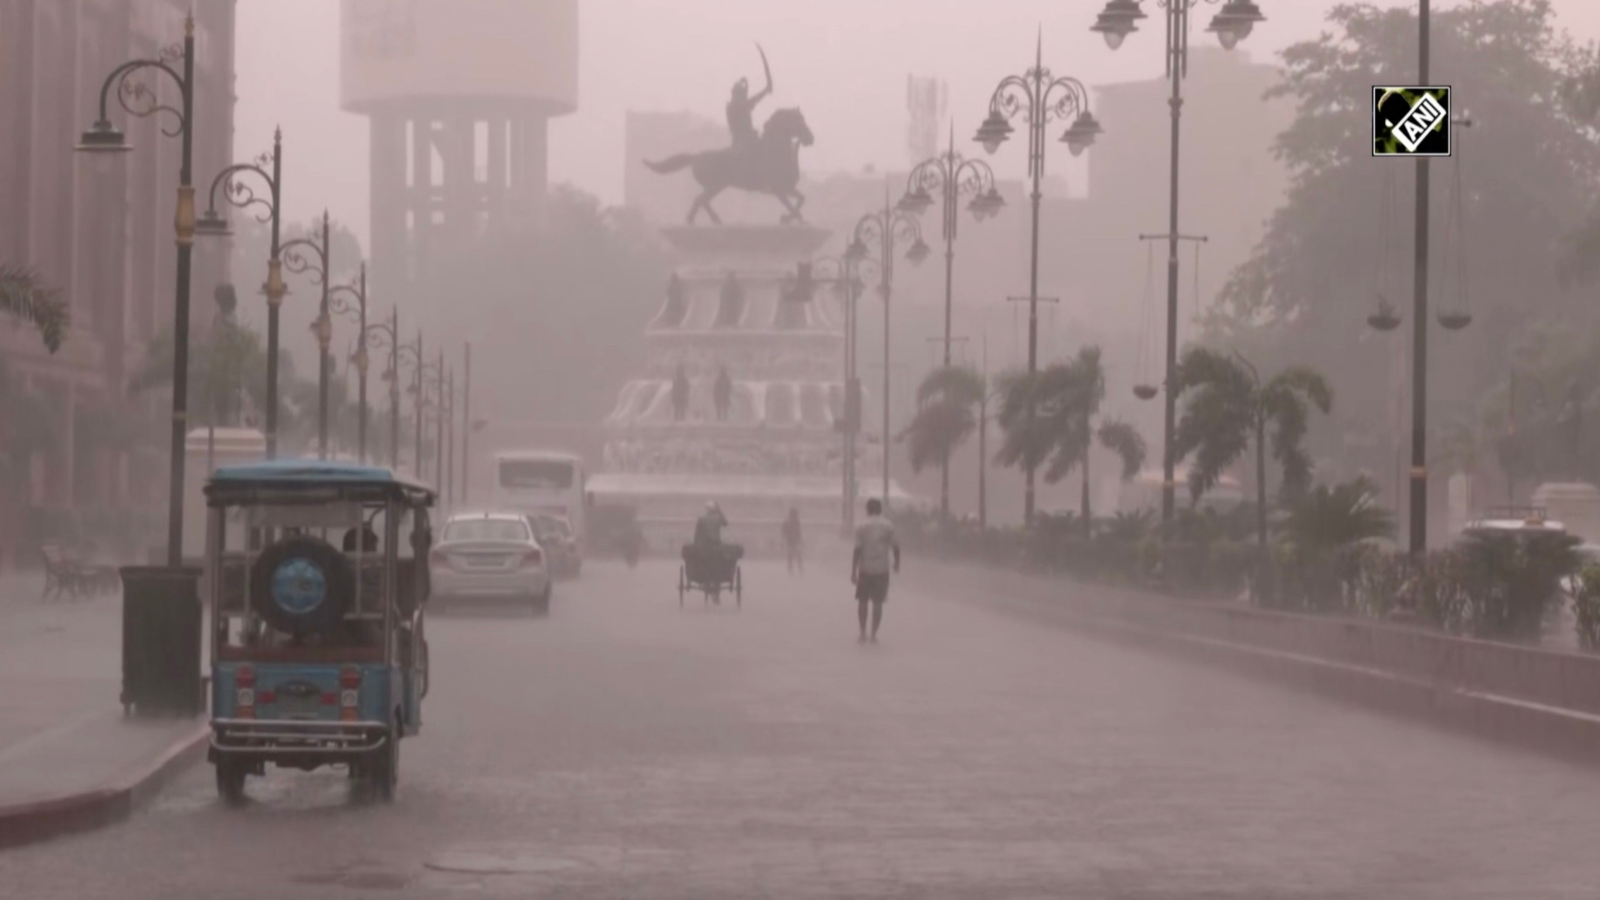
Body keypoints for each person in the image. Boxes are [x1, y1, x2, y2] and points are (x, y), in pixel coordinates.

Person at [851, 498, 900, 643]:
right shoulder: (888, 526)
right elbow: (895, 547)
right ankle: (873, 634)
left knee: (862, 601)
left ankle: (862, 632)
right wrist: (897, 563)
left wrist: (853, 570)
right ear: (880, 510)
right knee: (878, 602)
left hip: (865, 568)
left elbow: (857, 550)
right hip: (882, 569)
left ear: (867, 509)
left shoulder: (861, 526)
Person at [781, 508, 804, 575]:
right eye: (794, 515)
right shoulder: (787, 522)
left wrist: (800, 540)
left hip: (795, 542)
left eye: (795, 515)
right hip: (790, 542)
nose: (795, 516)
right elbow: (783, 531)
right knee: (792, 557)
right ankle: (792, 570)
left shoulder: (796, 522)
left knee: (797, 556)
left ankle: (799, 569)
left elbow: (799, 532)